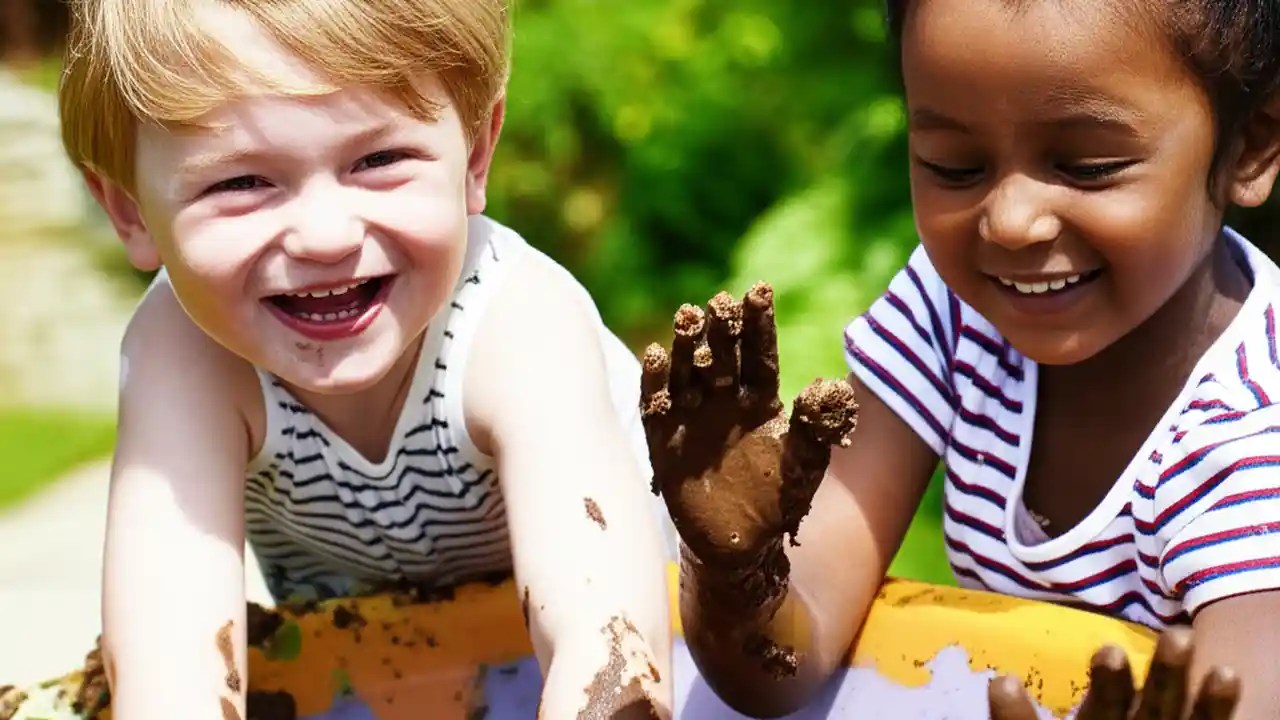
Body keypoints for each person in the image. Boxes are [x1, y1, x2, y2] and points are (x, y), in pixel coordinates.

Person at [640, 0, 1280, 718]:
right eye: (955, 167)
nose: (1009, 221)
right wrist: (733, 568)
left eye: (1089, 166)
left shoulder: (1254, 440)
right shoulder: (955, 315)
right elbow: (791, 652)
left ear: (1251, 145)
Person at [58, 1, 672, 717]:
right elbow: (172, 670)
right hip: (390, 685)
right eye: (241, 183)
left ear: (474, 155)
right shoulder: (186, 351)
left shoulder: (516, 325)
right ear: (130, 210)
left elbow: (609, 645)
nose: (324, 236)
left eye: (378, 161)